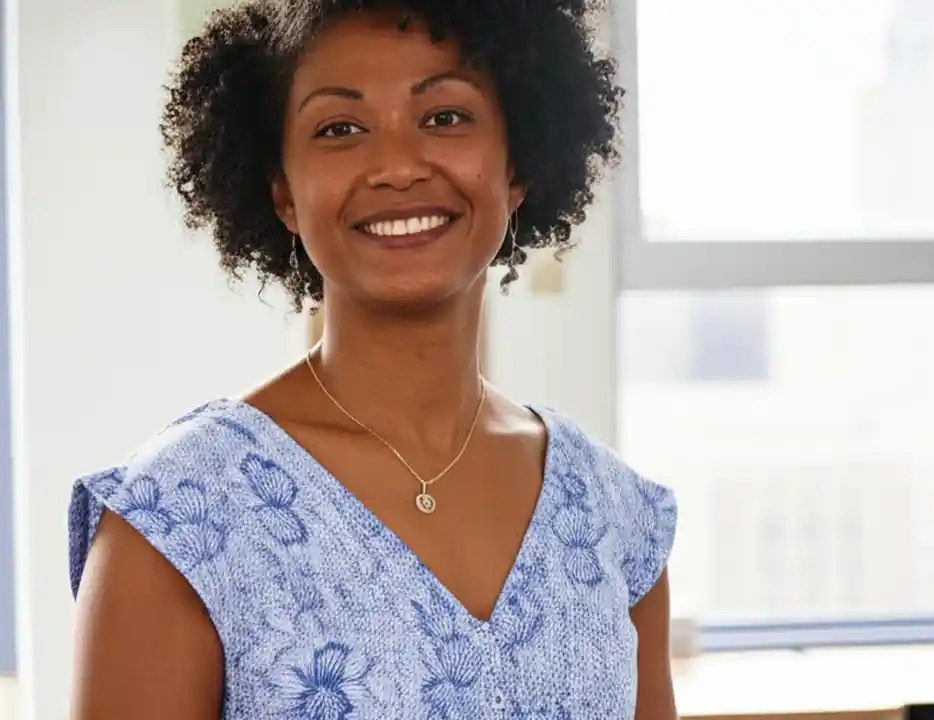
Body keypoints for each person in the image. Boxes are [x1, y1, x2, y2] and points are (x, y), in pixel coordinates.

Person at [66, 1, 678, 717]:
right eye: (340, 129)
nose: (395, 166)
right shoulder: (176, 520)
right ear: (283, 195)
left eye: (445, 117)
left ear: (519, 167)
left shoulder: (614, 516)